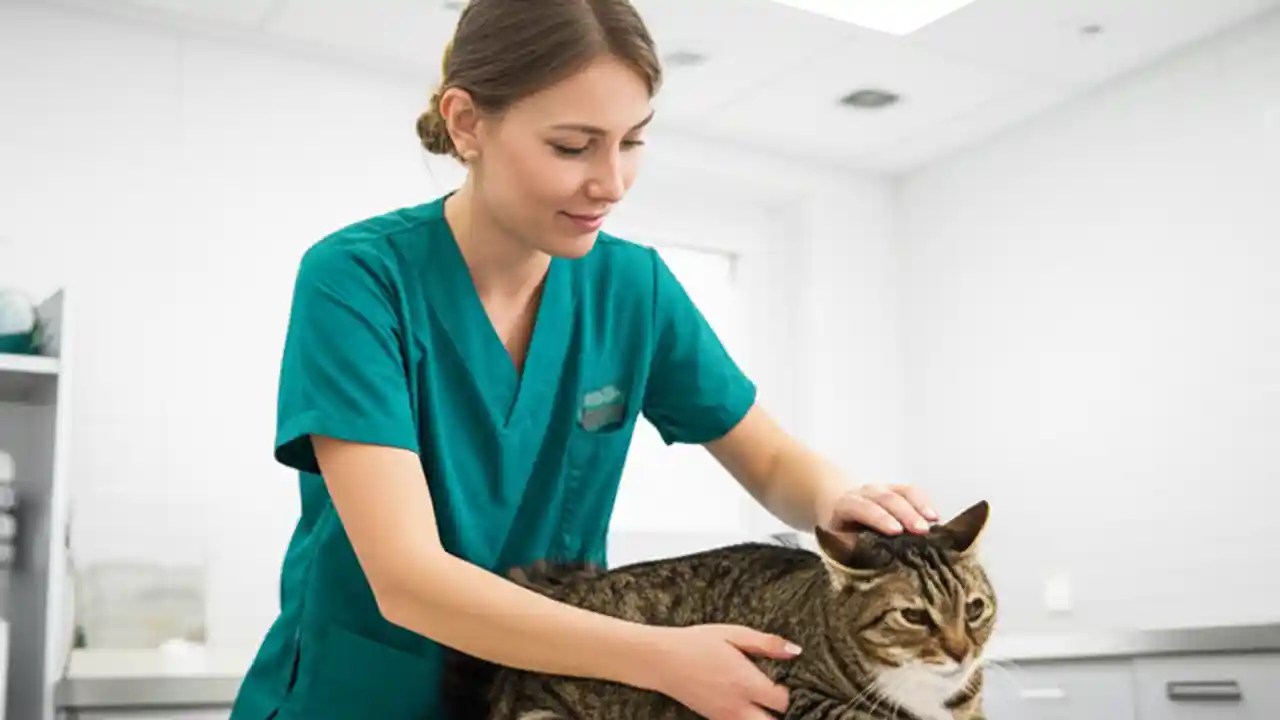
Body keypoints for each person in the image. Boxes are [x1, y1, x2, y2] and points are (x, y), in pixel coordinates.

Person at [228, 1, 938, 718]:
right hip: (365, 693)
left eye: (632, 141)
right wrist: (662, 656)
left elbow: (772, 462)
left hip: (550, 696)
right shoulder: (359, 280)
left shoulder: (633, 289)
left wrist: (835, 500)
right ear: (467, 123)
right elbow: (407, 577)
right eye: (572, 146)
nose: (613, 182)